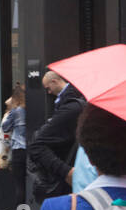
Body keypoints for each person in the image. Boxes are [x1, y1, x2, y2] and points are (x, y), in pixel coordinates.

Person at [28, 70, 86, 201]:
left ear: (54, 81)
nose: (49, 92)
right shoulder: (72, 104)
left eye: (48, 88)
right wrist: (66, 171)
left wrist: (66, 171)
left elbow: (37, 145)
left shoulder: (71, 106)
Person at [0, 85, 27, 210]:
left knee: (19, 185)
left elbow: (5, 127)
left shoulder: (16, 111)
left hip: (18, 150)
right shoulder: (32, 109)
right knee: (30, 184)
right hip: (31, 150)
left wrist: (10, 110)